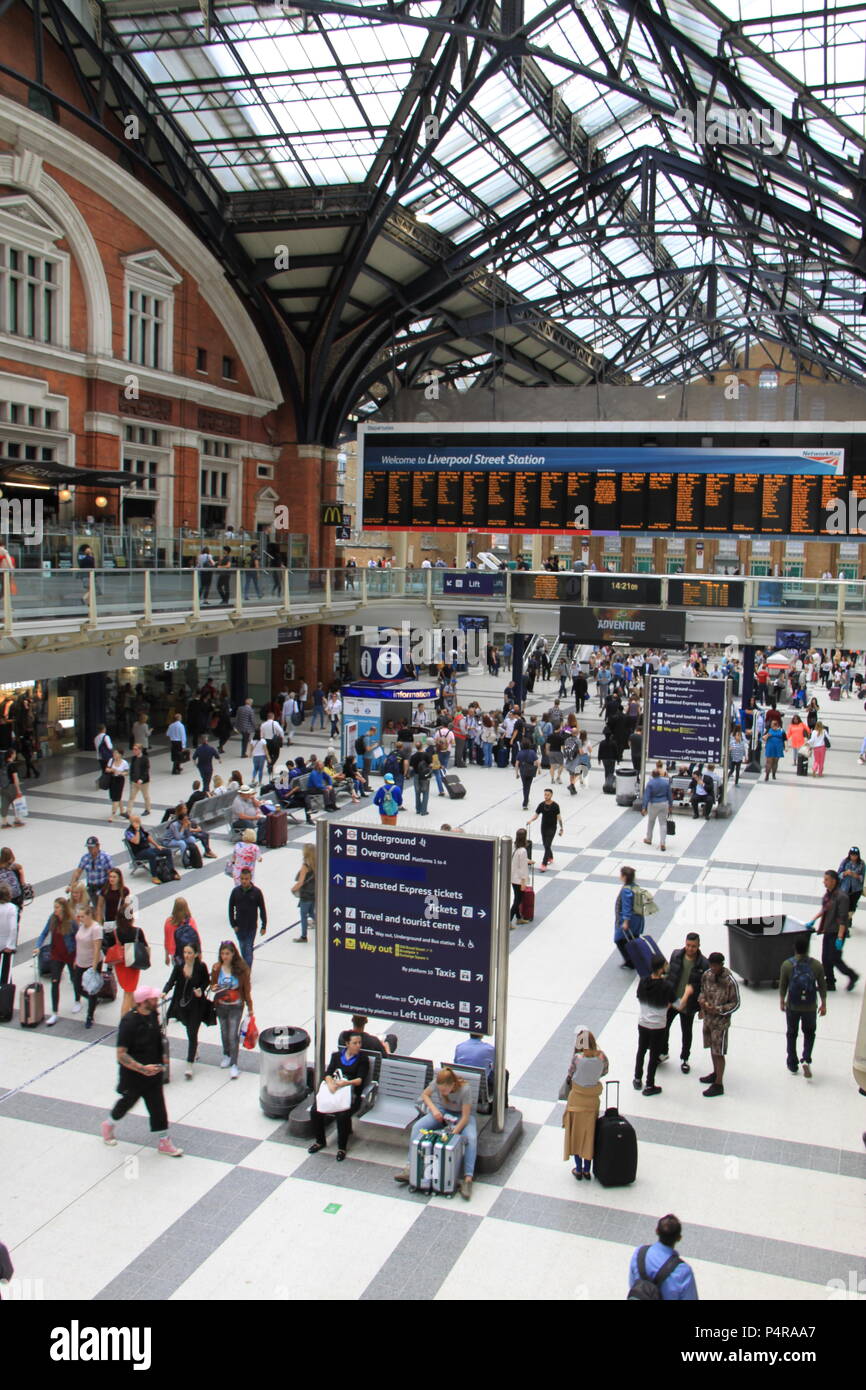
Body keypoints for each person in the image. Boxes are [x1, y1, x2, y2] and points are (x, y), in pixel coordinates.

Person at [100, 985, 183, 1156]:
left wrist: (163, 1059)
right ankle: (109, 1124)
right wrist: (141, 1068)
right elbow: (121, 1054)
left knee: (158, 1107)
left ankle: (163, 1140)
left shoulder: (153, 1015)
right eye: (153, 998)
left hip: (153, 1073)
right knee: (127, 1102)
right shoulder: (129, 1022)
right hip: (134, 1076)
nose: (157, 1000)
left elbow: (157, 1037)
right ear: (143, 1002)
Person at [394, 1065, 477, 1200]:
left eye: (445, 1090)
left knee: (471, 1138)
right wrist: (434, 1110)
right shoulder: (437, 1083)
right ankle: (410, 1167)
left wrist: (453, 1133)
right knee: (418, 1127)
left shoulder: (465, 1089)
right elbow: (425, 1095)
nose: (443, 1093)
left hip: (460, 1116)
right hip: (443, 1111)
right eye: (440, 1090)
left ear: (452, 1085)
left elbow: (466, 1117)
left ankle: (468, 1179)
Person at [308, 1031, 371, 1162]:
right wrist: (331, 1083)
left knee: (342, 1115)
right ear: (347, 1044)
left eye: (359, 1042)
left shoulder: (362, 1059)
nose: (358, 1045)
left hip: (351, 1095)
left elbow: (360, 1079)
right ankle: (320, 1141)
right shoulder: (336, 1056)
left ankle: (341, 1147)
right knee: (315, 1111)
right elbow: (328, 1073)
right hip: (335, 1091)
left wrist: (346, 1083)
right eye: (355, 1043)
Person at [562, 1026, 608, 1180]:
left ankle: (579, 1168)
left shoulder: (578, 1058)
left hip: (576, 1098)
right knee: (589, 1133)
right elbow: (605, 1071)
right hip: (592, 1100)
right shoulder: (602, 1057)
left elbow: (570, 1073)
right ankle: (588, 1169)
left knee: (575, 1133)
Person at [779, 934, 827, 1077]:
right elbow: (822, 986)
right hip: (810, 1006)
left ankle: (792, 1062)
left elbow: (783, 985)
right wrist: (823, 1004)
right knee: (809, 1033)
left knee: (792, 1033)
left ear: (794, 948)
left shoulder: (787, 965)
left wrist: (782, 1000)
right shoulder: (817, 965)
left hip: (793, 1006)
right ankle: (806, 1057)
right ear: (808, 949)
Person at [661, 932, 709, 1073]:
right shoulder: (676, 955)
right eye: (688, 945)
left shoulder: (703, 963)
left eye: (693, 946)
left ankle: (685, 1058)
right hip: (672, 1001)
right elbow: (669, 976)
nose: (690, 948)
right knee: (664, 1027)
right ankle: (663, 1052)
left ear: (698, 946)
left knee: (686, 1032)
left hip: (689, 1004)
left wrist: (702, 1008)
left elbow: (704, 987)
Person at [804, 869, 858, 992]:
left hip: (837, 932)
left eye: (826, 880)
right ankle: (830, 982)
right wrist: (813, 920)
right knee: (825, 958)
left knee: (834, 958)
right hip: (828, 931)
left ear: (834, 881)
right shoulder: (828, 894)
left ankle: (852, 976)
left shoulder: (842, 897)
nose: (824, 882)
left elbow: (843, 919)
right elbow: (824, 909)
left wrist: (840, 937)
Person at [163, 943, 210, 1080]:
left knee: (192, 1030)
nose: (187, 955)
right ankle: (194, 1047)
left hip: (196, 1005)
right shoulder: (179, 967)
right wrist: (164, 992)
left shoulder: (201, 967)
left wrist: (200, 989)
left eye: (190, 953)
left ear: (195, 954)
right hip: (182, 1005)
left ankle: (189, 1063)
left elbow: (206, 981)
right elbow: (171, 981)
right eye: (185, 952)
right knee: (188, 1028)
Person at [697, 951, 740, 1097]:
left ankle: (718, 1084)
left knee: (719, 1052)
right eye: (712, 965)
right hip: (708, 1020)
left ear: (721, 965)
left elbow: (736, 1003)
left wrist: (719, 1010)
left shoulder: (729, 981)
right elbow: (702, 991)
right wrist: (702, 1002)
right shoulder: (707, 975)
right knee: (712, 1048)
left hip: (720, 1023)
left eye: (716, 965)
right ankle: (715, 1073)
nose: (713, 968)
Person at [628, 1215, 699, 1300]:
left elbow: (633, 1284)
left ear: (657, 1231)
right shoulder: (683, 1271)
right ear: (679, 1238)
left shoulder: (640, 1253)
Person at [634, 955, 677, 1096]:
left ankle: (637, 1078)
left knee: (641, 1050)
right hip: (658, 1026)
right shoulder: (666, 986)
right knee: (653, 1055)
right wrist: (688, 993)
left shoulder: (643, 982)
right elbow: (678, 1004)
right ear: (660, 968)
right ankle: (650, 1084)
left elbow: (639, 997)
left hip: (643, 1023)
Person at [210, 940, 253, 1079]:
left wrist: (250, 1007)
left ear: (233, 954)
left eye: (227, 953)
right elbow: (213, 985)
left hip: (236, 1005)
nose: (225, 956)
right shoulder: (217, 968)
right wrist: (214, 988)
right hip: (221, 1005)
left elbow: (246, 989)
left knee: (232, 1034)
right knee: (224, 1031)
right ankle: (226, 1054)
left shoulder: (241, 969)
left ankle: (234, 1063)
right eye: (222, 953)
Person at [33, 895, 77, 1022]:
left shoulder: (71, 922)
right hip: (56, 954)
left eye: (57, 907)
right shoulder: (52, 919)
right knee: (54, 982)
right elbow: (44, 933)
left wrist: (77, 957)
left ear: (63, 908)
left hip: (69, 954)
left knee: (74, 979)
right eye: (54, 907)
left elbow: (77, 938)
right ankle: (54, 1012)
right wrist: (38, 946)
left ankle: (77, 1000)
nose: (55, 910)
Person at [228, 866, 267, 968]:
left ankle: (247, 972)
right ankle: (245, 967)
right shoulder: (235, 892)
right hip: (239, 927)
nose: (244, 881)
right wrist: (233, 924)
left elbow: (262, 909)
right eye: (242, 879)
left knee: (248, 949)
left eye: (246, 879)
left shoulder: (257, 892)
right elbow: (230, 908)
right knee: (243, 948)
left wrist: (264, 925)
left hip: (251, 927)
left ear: (250, 879)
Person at [73, 903, 103, 1029]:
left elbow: (97, 948)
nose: (79, 919)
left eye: (82, 916)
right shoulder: (81, 926)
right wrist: (76, 958)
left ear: (89, 915)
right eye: (78, 917)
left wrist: (94, 967)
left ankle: (90, 1015)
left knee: (91, 989)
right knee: (77, 986)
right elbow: (78, 943)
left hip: (91, 963)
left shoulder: (96, 929)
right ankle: (94, 1000)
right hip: (80, 961)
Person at [124, 816, 179, 884]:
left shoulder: (141, 828)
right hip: (139, 852)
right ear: (132, 822)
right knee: (152, 855)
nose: (139, 823)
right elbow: (136, 841)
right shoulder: (128, 832)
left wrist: (157, 846)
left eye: (139, 821)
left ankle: (172, 872)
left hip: (147, 849)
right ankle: (154, 876)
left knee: (167, 851)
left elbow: (148, 837)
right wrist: (137, 830)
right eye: (137, 821)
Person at [614, 864, 644, 968]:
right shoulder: (635, 887)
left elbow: (626, 907)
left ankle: (630, 961)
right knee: (633, 939)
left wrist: (625, 922)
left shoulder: (626, 890)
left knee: (618, 939)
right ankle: (636, 959)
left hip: (628, 920)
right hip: (637, 919)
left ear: (624, 877)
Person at [69, 835, 114, 904]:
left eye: (92, 847)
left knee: (100, 909)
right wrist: (72, 885)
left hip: (102, 887)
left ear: (98, 846)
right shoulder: (85, 858)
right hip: (90, 887)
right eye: (88, 847)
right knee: (84, 906)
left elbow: (111, 874)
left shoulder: (105, 857)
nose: (90, 849)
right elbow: (78, 872)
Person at [526, 787, 562, 870]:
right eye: (545, 794)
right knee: (545, 845)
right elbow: (536, 814)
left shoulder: (555, 806)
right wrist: (531, 820)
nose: (546, 796)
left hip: (552, 828)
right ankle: (550, 857)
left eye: (548, 795)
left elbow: (559, 817)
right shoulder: (541, 805)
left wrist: (561, 829)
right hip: (543, 827)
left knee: (547, 844)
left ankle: (544, 863)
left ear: (551, 795)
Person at [642, 763, 673, 851]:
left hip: (653, 804)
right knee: (663, 823)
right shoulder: (665, 783)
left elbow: (646, 796)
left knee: (651, 822)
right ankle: (663, 843)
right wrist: (670, 805)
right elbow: (670, 795)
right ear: (659, 774)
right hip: (664, 803)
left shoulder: (650, 783)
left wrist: (644, 807)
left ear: (652, 774)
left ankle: (648, 839)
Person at [163, 898, 201, 967]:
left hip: (175, 954)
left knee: (178, 972)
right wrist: (199, 954)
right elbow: (197, 939)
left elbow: (166, 940)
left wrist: (166, 956)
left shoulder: (169, 921)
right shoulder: (190, 921)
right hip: (189, 953)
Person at [292, 844, 316, 942]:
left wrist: (293, 889)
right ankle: (324, 924)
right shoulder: (316, 864)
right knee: (311, 912)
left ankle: (303, 936)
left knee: (303, 915)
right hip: (314, 893)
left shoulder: (305, 866)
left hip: (305, 894)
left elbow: (300, 882)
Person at [838, 846, 864, 926]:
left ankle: (848, 919)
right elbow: (838, 874)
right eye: (852, 855)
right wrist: (845, 873)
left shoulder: (862, 864)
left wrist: (856, 875)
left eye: (855, 855)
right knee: (844, 907)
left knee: (852, 907)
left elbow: (862, 877)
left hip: (856, 890)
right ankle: (844, 924)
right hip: (845, 888)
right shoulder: (845, 862)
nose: (853, 857)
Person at [510, 826, 530, 926]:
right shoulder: (523, 851)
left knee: (516, 898)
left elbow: (517, 862)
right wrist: (523, 881)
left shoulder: (515, 847)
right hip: (519, 879)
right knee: (518, 900)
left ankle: (518, 918)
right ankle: (508, 921)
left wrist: (527, 861)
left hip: (513, 877)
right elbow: (523, 868)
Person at [126, 743, 152, 818]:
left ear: (140, 750)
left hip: (143, 782)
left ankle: (147, 809)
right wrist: (131, 778)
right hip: (134, 781)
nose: (134, 751)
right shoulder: (134, 758)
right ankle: (128, 812)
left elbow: (146, 770)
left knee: (145, 795)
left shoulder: (145, 758)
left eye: (136, 749)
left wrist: (142, 779)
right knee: (131, 797)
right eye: (133, 749)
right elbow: (132, 769)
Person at [409, 740, 433, 815]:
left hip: (416, 775)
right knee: (425, 793)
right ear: (422, 746)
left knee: (417, 793)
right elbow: (431, 765)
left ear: (416, 747)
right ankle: (423, 810)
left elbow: (411, 766)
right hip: (424, 776)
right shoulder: (426, 755)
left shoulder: (413, 756)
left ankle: (418, 809)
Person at [516, 738, 539, 810]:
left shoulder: (520, 752)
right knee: (528, 786)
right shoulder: (532, 752)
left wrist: (516, 773)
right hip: (530, 770)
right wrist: (538, 769)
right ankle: (525, 801)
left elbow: (517, 764)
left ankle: (525, 800)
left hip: (523, 770)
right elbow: (537, 762)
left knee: (524, 785)